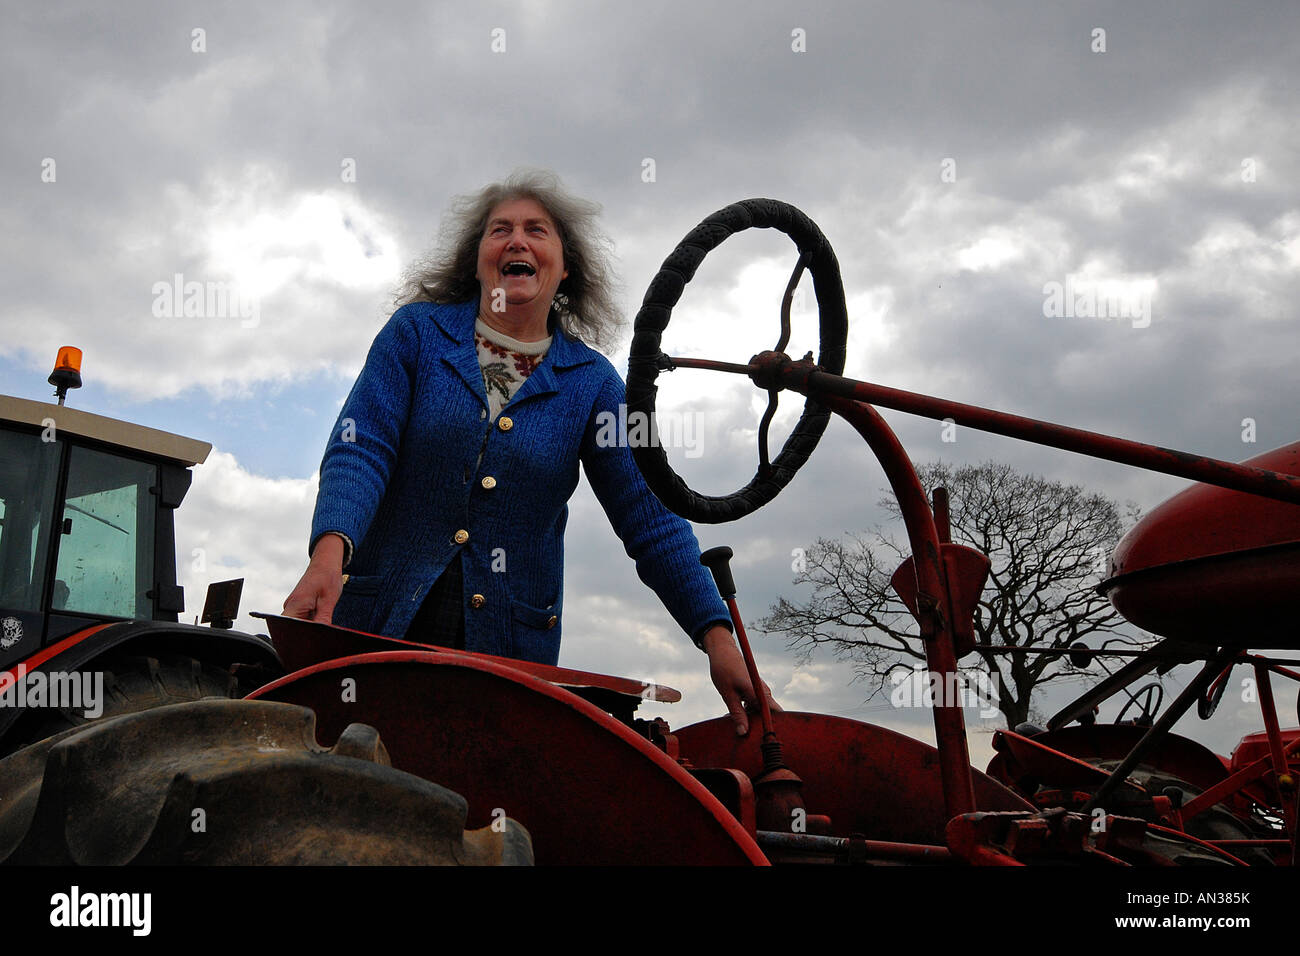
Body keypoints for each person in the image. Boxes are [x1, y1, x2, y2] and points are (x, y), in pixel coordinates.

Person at [283, 169, 777, 734]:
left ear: (565, 267)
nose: (517, 240)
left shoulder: (595, 383)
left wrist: (716, 635)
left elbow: (652, 518)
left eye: (536, 231)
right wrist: (329, 556)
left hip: (506, 651)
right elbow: (361, 445)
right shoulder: (415, 336)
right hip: (381, 628)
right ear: (478, 260)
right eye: (501, 230)